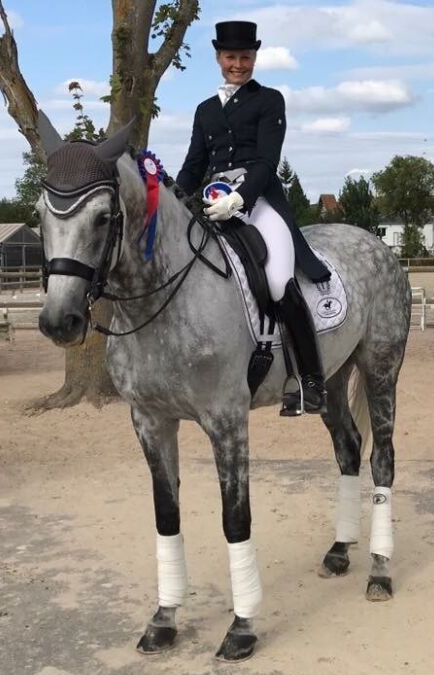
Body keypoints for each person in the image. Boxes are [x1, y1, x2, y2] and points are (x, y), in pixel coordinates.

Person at [176, 20, 331, 417]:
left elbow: (267, 162)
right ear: (218, 58)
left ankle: (310, 379)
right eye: (231, 57)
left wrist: (240, 198)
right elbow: (194, 167)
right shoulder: (205, 110)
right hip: (213, 205)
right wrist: (173, 199)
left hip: (259, 203)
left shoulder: (269, 100)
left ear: (254, 57)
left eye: (245, 57)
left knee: (279, 282)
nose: (238, 64)